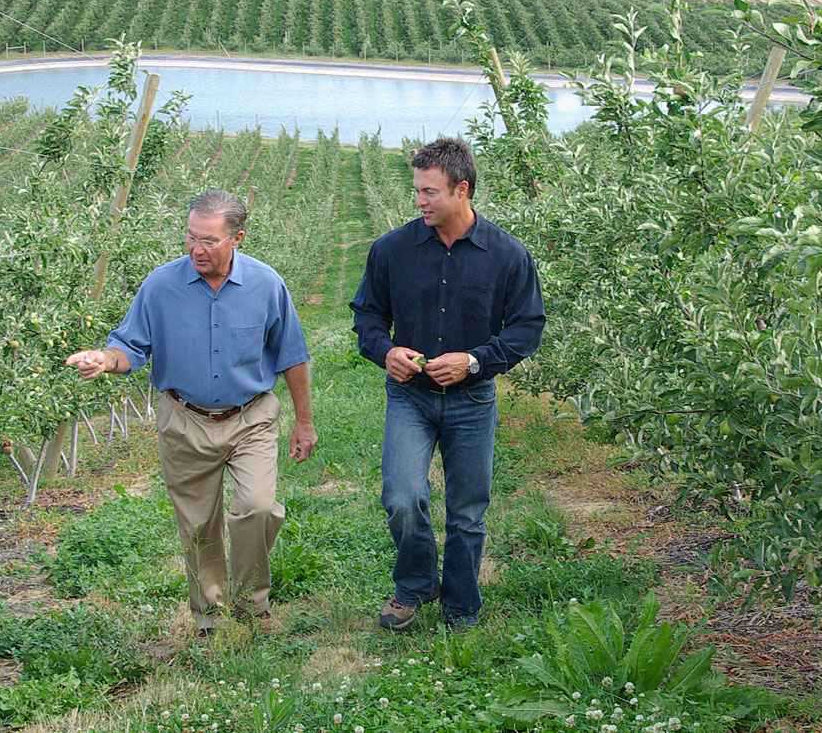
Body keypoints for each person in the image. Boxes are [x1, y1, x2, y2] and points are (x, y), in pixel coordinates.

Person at [66, 190, 316, 636]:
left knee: (257, 507)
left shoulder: (266, 284)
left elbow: (292, 355)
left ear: (237, 238)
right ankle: (209, 618)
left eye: (209, 241)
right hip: (185, 418)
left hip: (251, 416)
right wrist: (106, 360)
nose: (197, 249)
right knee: (198, 524)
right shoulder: (161, 285)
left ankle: (252, 603)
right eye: (190, 238)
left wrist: (303, 421)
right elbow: (130, 345)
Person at [349, 138, 544, 631]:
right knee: (401, 495)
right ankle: (415, 585)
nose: (419, 201)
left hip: (472, 400)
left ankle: (461, 604)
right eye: (417, 191)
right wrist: (385, 351)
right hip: (410, 398)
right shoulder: (392, 251)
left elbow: (526, 328)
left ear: (462, 190)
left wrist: (474, 362)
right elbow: (368, 316)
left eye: (429, 192)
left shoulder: (507, 256)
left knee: (467, 510)